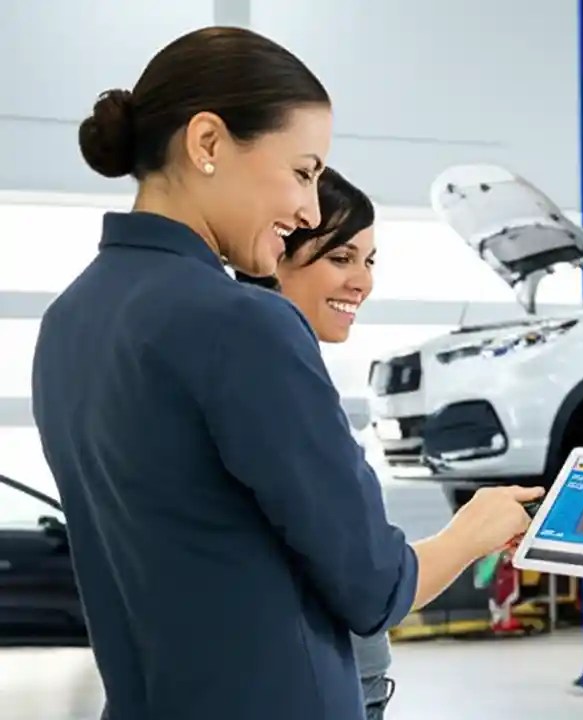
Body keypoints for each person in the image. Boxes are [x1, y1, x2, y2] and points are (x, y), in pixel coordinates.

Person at [31, 26, 541, 720]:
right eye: (302, 171)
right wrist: (476, 527)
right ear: (207, 143)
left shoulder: (70, 319)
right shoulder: (244, 323)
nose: (308, 209)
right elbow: (374, 586)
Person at [235, 166, 395, 719]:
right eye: (341, 258)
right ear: (277, 250)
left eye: (369, 261)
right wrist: (473, 533)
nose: (364, 282)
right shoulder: (264, 370)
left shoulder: (276, 363)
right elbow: (366, 575)